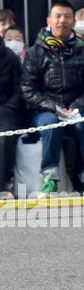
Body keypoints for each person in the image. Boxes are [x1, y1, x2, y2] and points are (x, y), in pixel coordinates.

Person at [20, 0, 84, 194]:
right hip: (46, 109)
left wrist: (77, 106)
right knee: (51, 125)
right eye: (58, 16)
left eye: (67, 17)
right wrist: (53, 107)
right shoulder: (35, 52)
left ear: (73, 22)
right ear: (49, 20)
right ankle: (49, 179)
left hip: (76, 108)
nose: (62, 21)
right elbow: (27, 89)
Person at [0, 34, 23, 190]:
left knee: (5, 136)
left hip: (6, 107)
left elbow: (18, 90)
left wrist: (8, 107)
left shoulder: (9, 58)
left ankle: (2, 183)